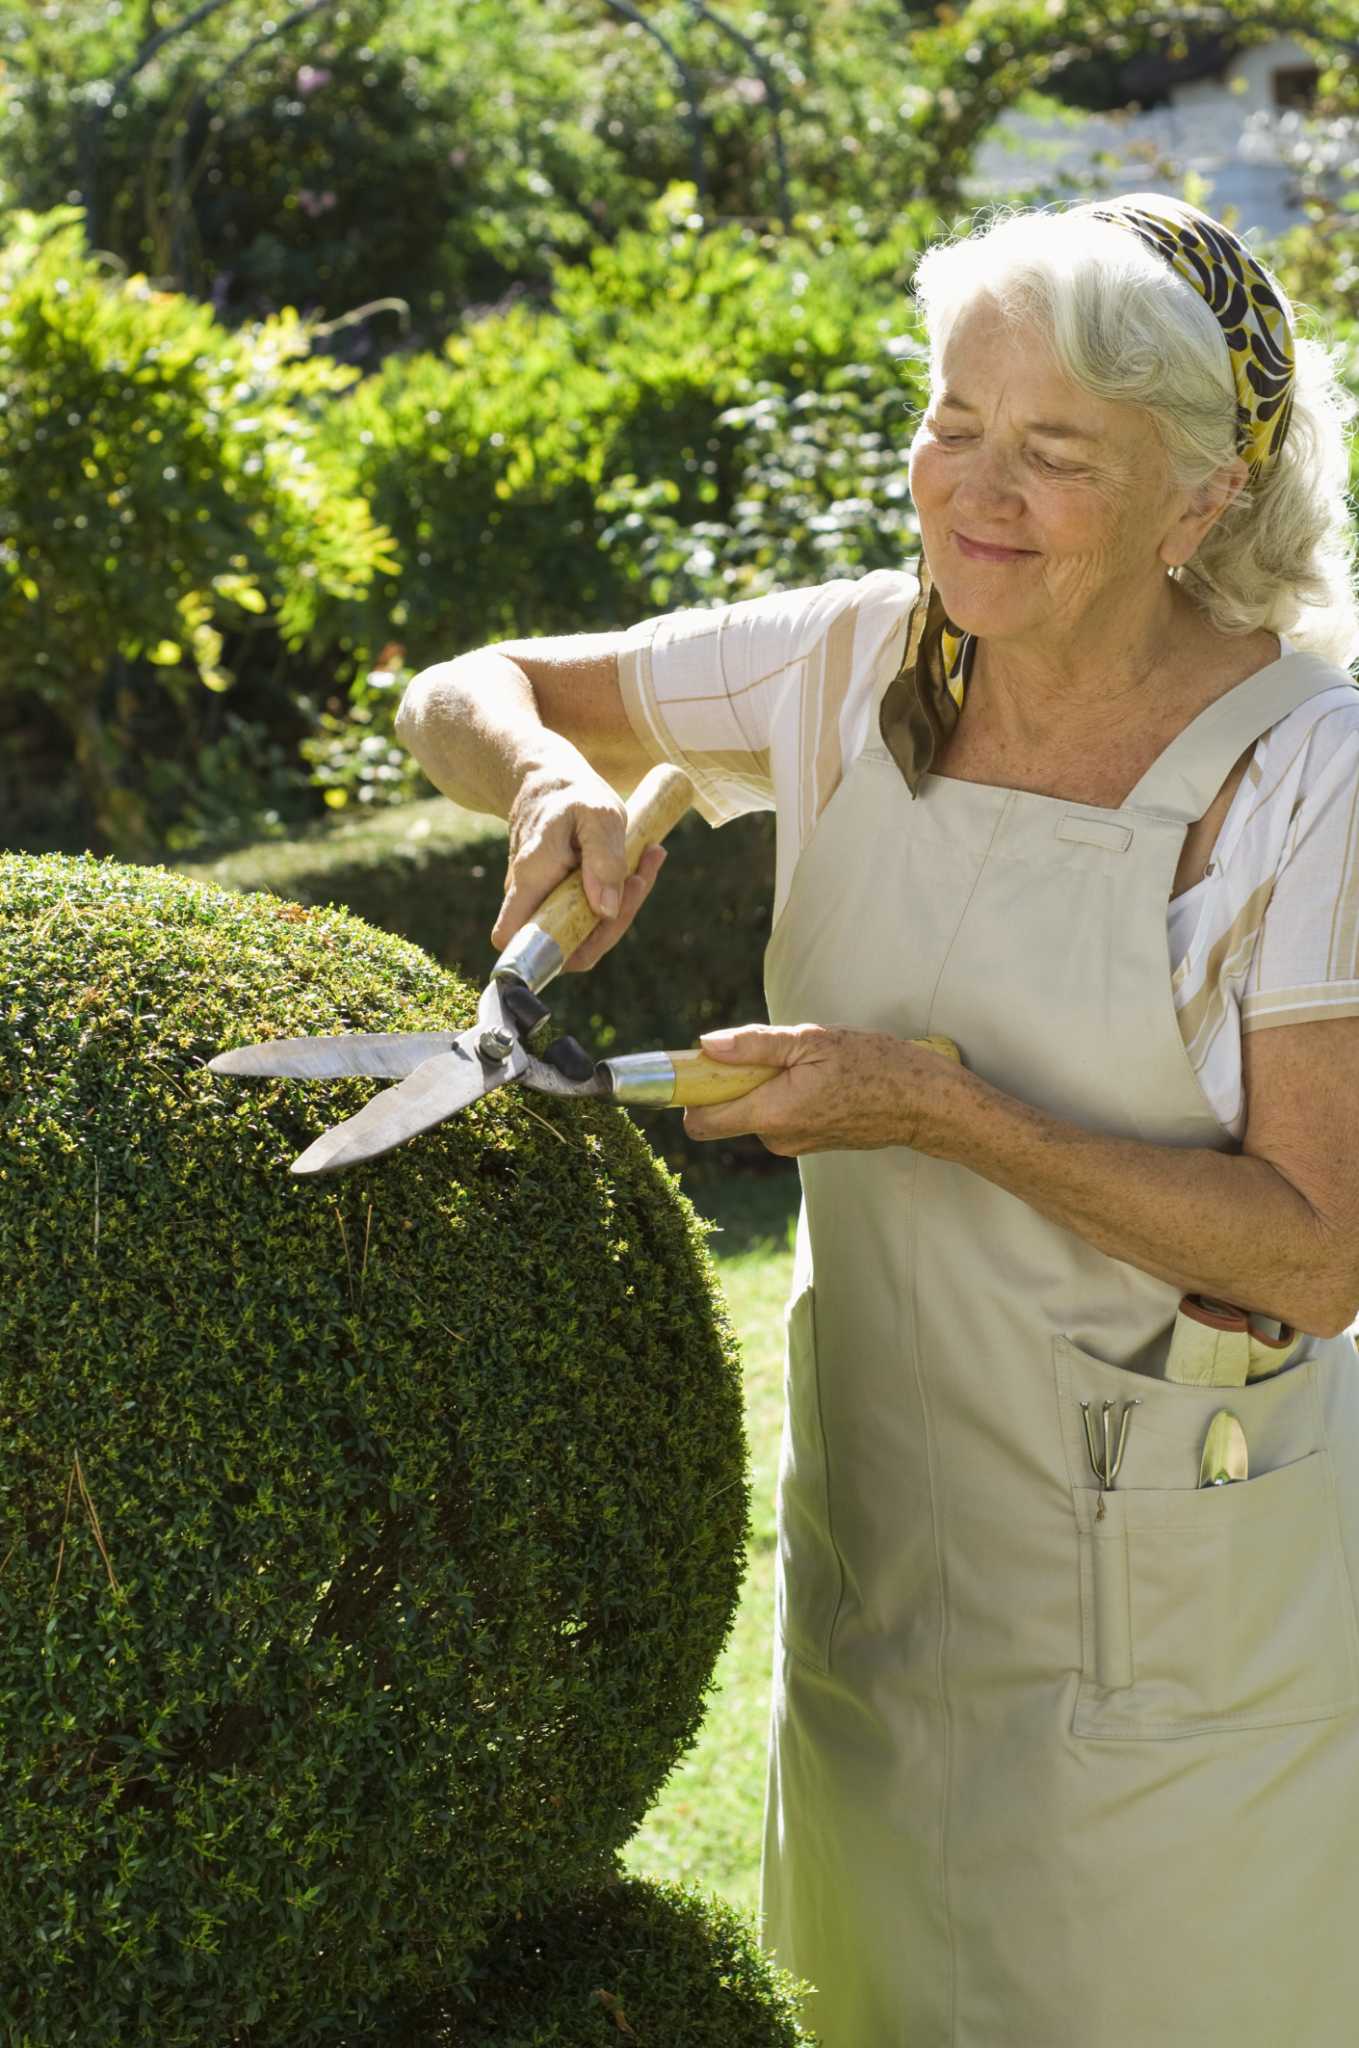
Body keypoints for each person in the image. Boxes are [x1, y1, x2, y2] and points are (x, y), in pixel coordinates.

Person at [394, 194, 1359, 2046]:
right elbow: (468, 685)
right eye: (952, 424)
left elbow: (1318, 1253)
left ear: (1204, 496)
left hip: (1190, 1622)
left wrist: (936, 1109)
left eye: (1054, 453)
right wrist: (542, 784)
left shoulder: (1309, 772)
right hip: (886, 1572)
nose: (970, 492)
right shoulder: (852, 663)